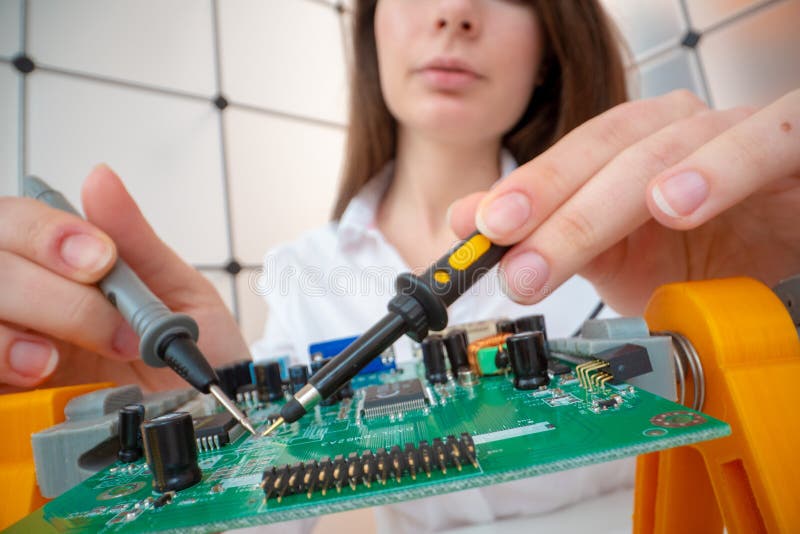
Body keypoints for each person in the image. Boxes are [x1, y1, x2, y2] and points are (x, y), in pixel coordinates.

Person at [0, 0, 797, 531]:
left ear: (553, 41)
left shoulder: (673, 234)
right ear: (371, 27)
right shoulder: (297, 277)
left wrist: (776, 318)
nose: (453, 12)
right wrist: (188, 449)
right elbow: (282, 491)